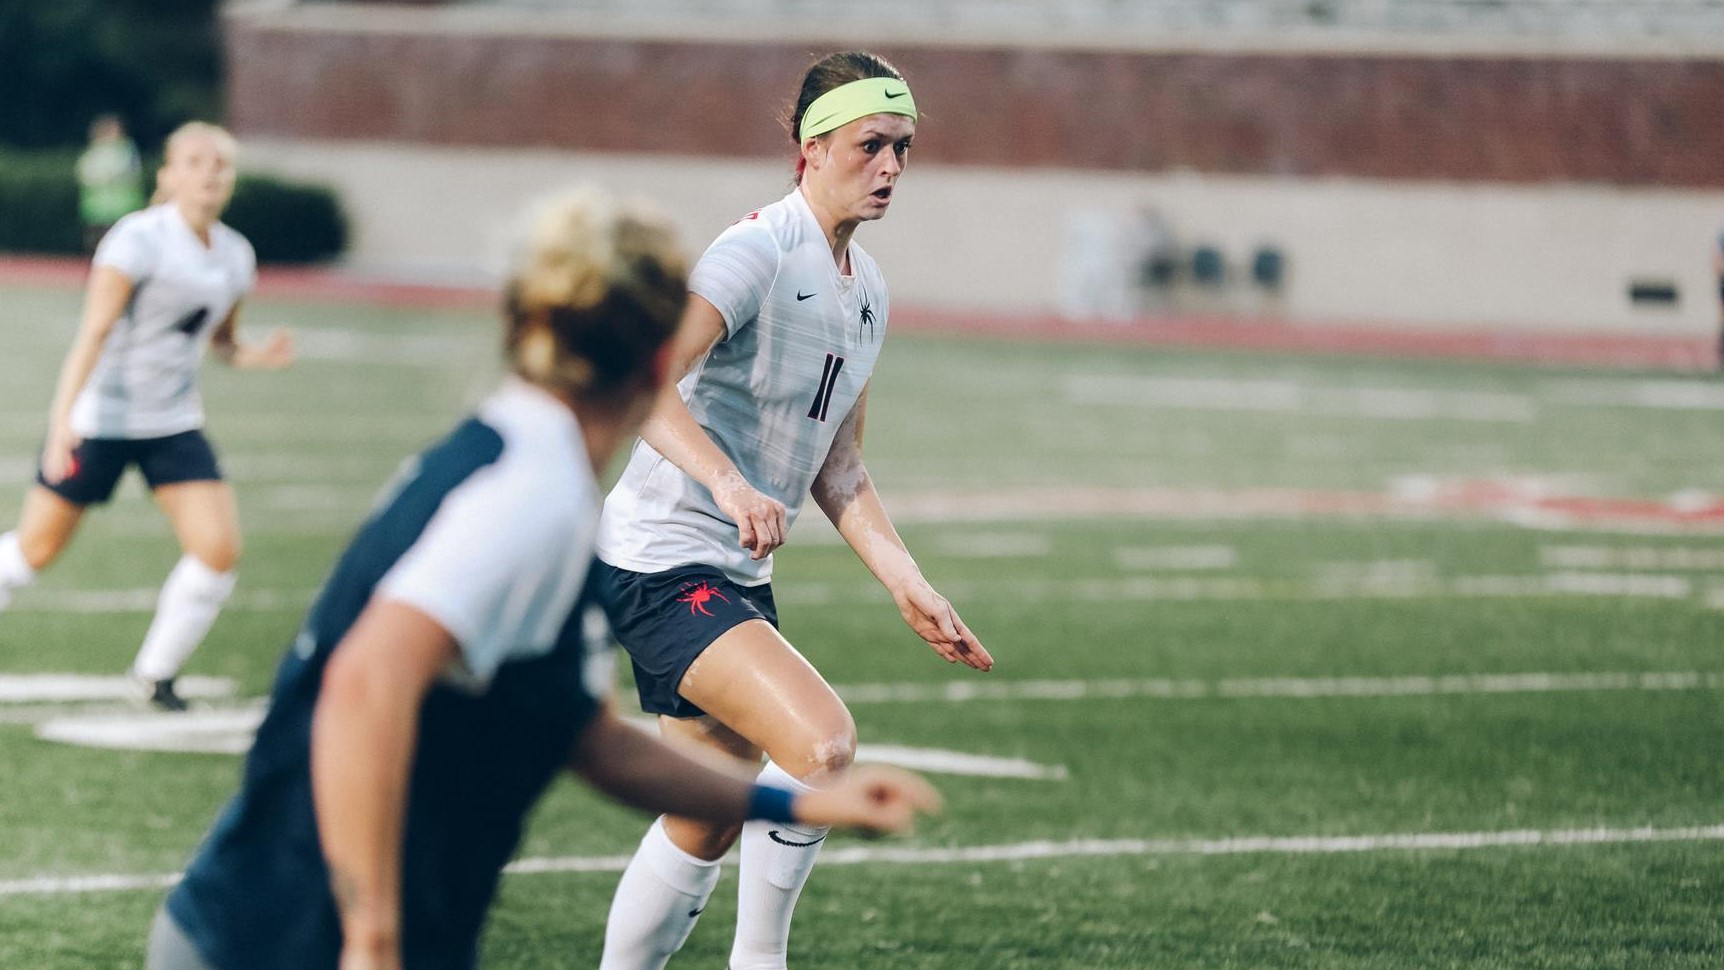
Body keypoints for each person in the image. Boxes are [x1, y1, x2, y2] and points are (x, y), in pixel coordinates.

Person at [144, 188, 941, 970]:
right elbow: (364, 684)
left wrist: (795, 803)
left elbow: (587, 740)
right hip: (280, 939)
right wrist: (372, 942)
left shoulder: (526, 458)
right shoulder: (535, 493)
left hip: (264, 923)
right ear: (664, 357)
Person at [595, 51, 993, 970]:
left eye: (903, 148)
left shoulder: (869, 291)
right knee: (822, 747)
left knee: (704, 815)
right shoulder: (755, 252)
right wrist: (729, 484)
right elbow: (643, 385)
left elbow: (841, 468)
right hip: (661, 560)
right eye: (871, 145)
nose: (892, 167)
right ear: (811, 148)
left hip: (731, 571)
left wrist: (910, 585)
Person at [0, 121, 294, 710]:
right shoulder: (137, 241)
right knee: (34, 552)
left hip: (172, 421)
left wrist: (254, 356)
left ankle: (153, 674)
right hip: (102, 419)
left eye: (220, 164)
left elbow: (222, 342)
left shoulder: (237, 254)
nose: (210, 173)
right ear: (167, 176)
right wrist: (63, 424)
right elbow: (94, 332)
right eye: (195, 161)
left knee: (217, 551)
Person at [76, 114, 147, 252]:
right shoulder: (95, 151)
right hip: (98, 209)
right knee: (98, 243)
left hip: (122, 208)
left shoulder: (126, 150)